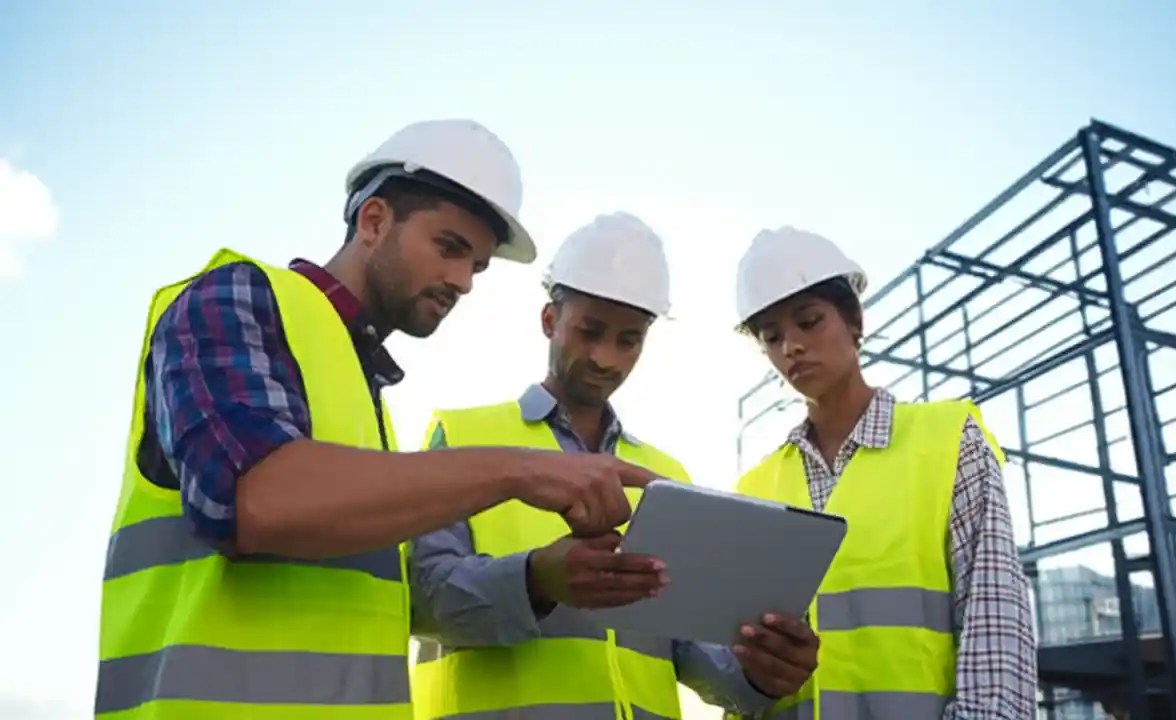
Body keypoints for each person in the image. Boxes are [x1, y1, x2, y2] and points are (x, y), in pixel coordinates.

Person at [95, 120, 659, 720]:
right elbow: (254, 497)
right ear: (374, 221)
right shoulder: (236, 296)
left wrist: (539, 579)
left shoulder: (360, 395)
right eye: (448, 247)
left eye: (477, 265)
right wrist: (519, 471)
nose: (463, 282)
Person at [408, 212, 820, 720]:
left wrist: (761, 674)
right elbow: (420, 600)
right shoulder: (465, 437)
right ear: (549, 321)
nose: (606, 358)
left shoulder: (664, 474)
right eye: (590, 331)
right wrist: (536, 580)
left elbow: (690, 652)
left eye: (628, 340)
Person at [727, 227, 1037, 720]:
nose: (792, 347)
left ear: (854, 319)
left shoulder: (948, 441)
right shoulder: (754, 488)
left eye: (808, 322)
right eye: (772, 336)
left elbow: (994, 625)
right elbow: (738, 666)